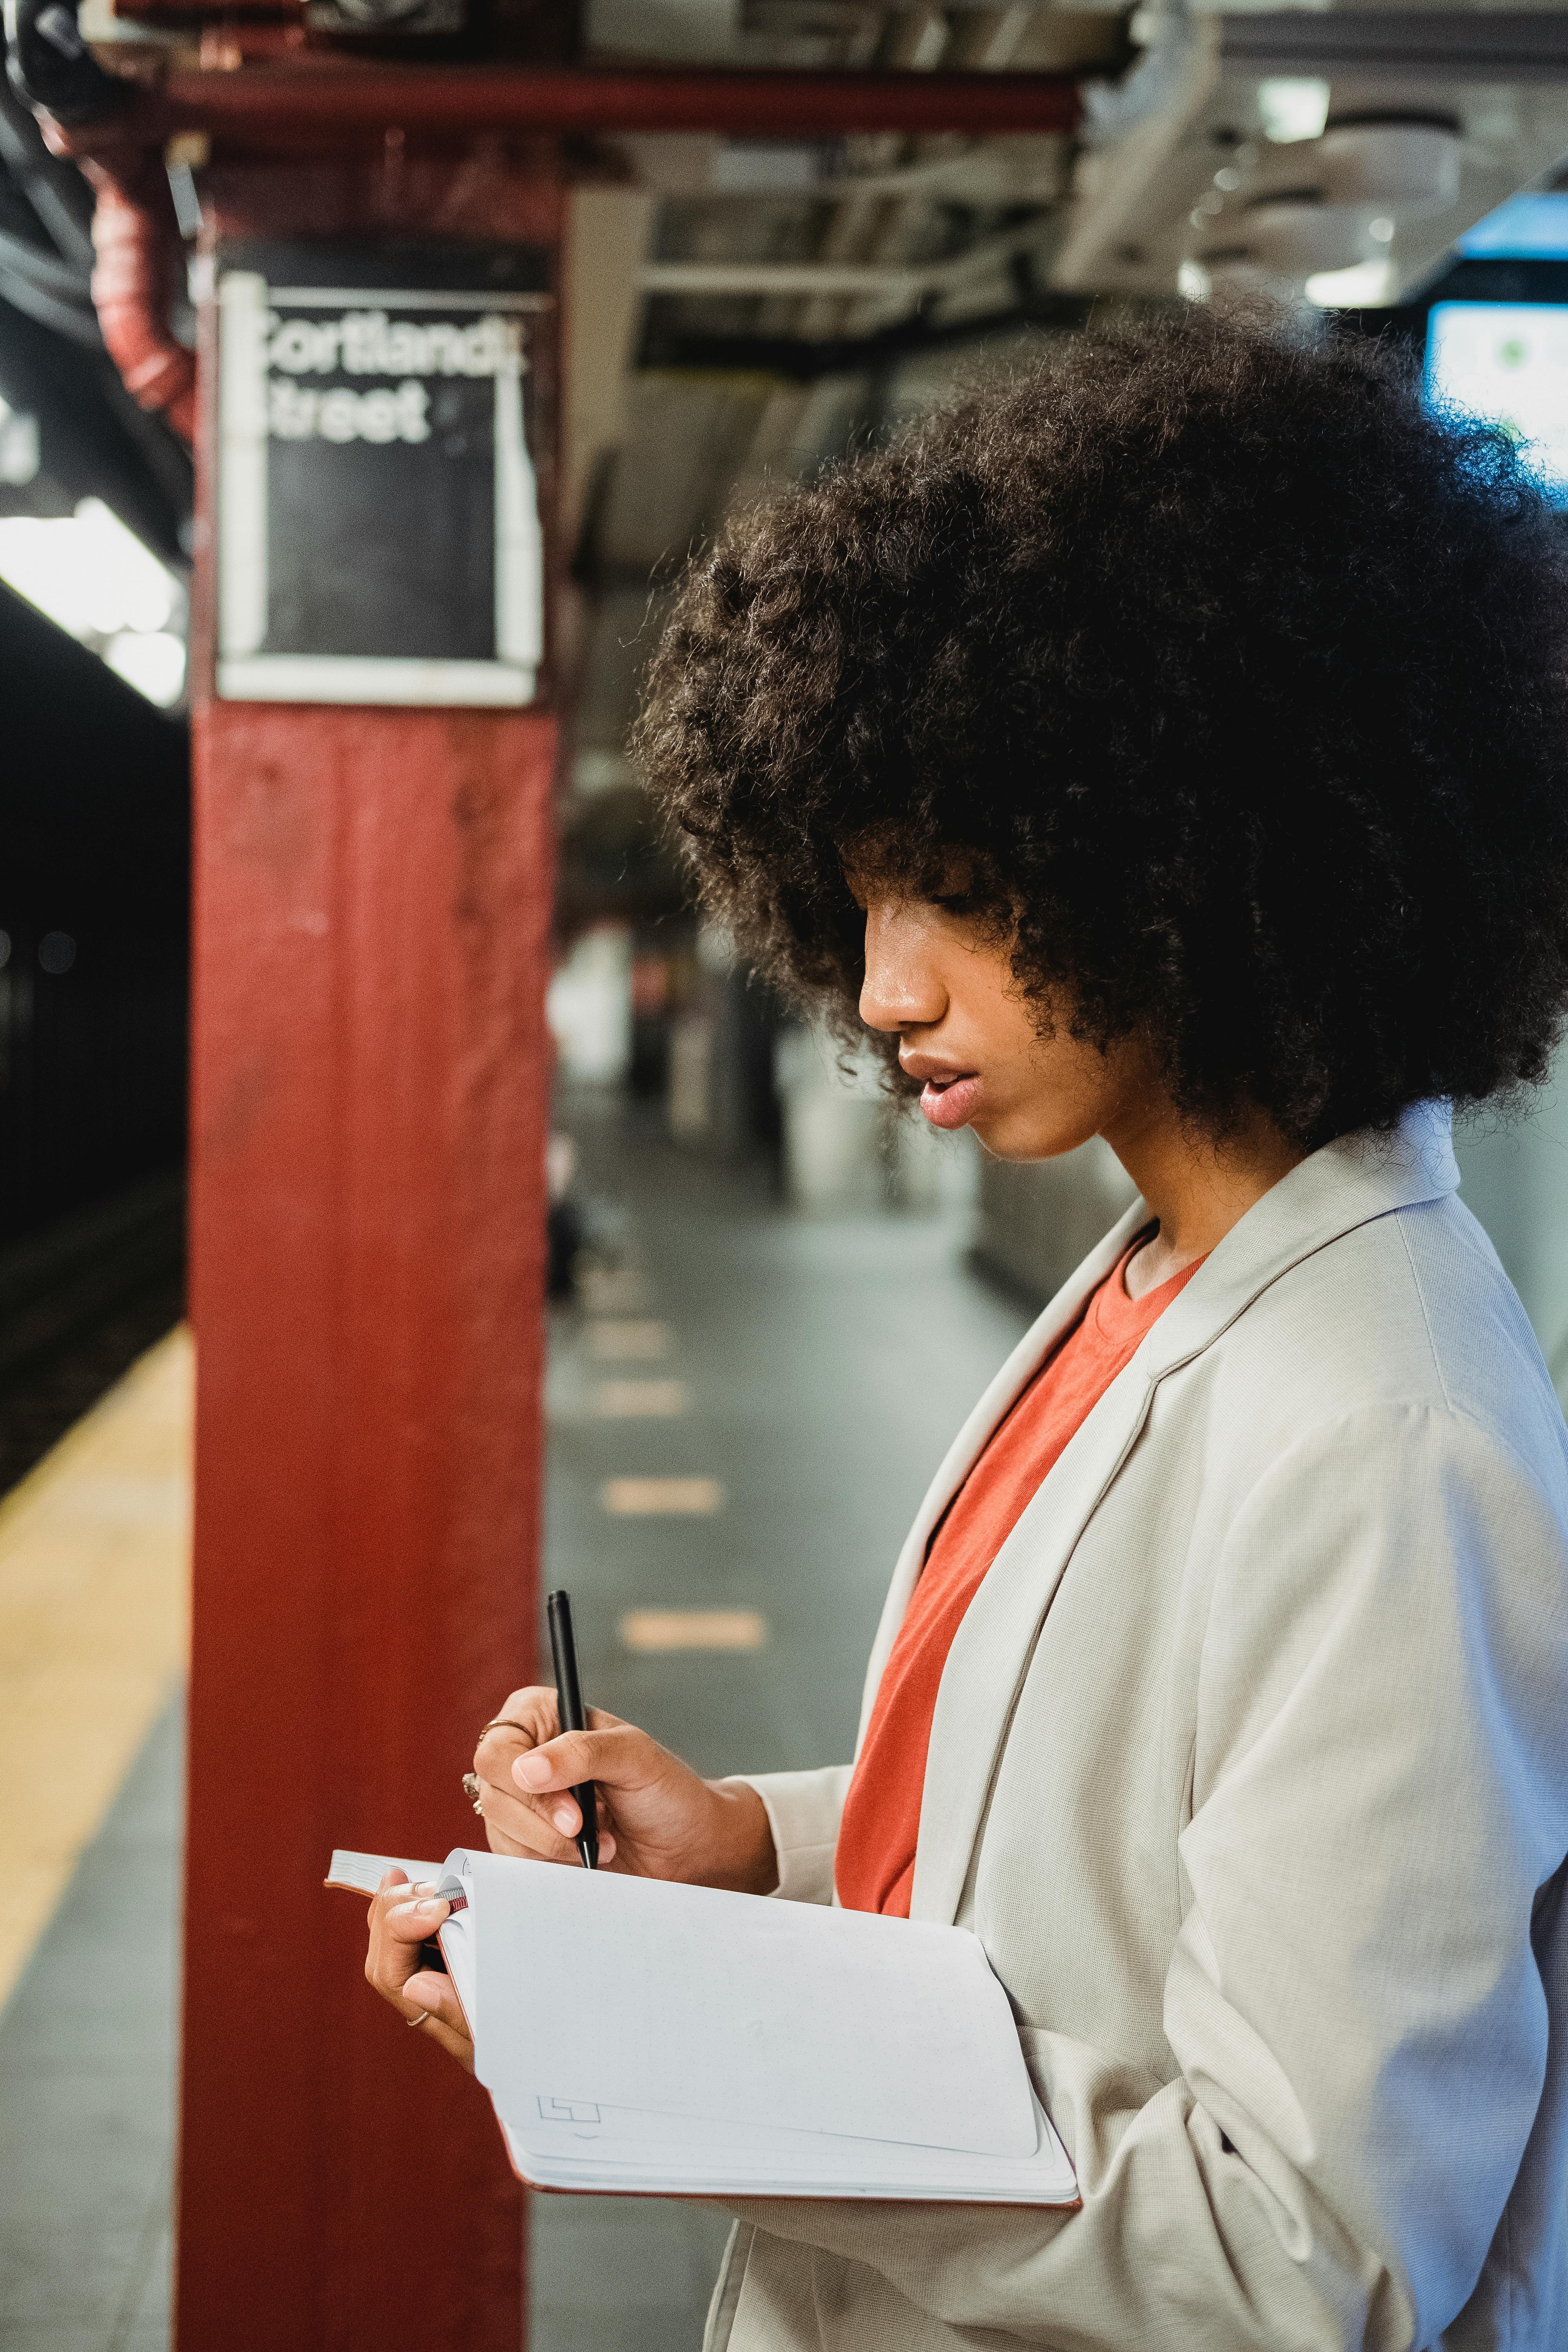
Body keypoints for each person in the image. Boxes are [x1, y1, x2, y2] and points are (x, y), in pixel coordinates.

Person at [365, 309, 1568, 2349]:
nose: (884, 988)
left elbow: (1313, 2252)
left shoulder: (1380, 1429)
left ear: (1199, 836)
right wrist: (757, 1846)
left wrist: (676, 2056)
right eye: (853, 906)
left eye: (953, 891)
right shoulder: (1163, 1276)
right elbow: (1112, 1824)